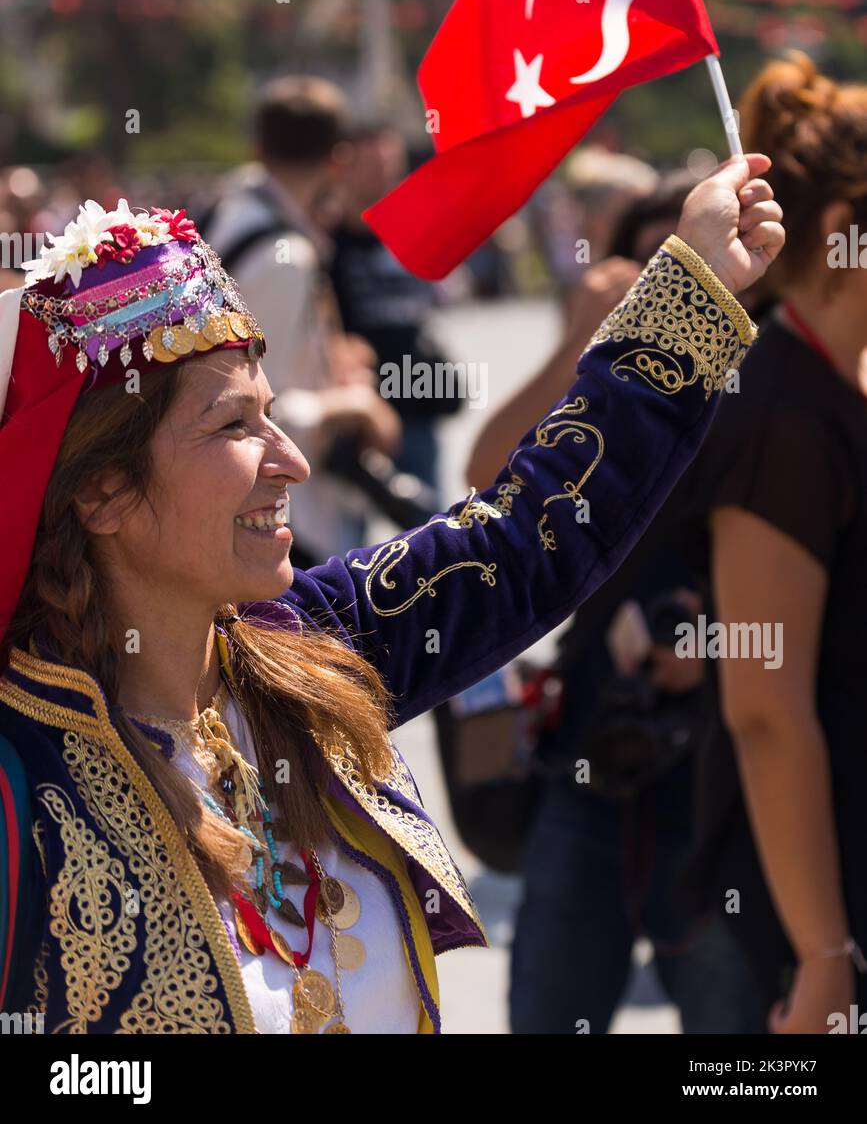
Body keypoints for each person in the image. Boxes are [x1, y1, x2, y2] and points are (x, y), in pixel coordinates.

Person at [0, 154, 781, 1034]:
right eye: (232, 426)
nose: (289, 461)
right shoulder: (19, 775)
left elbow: (526, 536)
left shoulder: (307, 647)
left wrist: (692, 287)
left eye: (271, 414)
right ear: (100, 492)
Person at [468, 178, 763, 1035]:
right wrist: (583, 340)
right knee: (552, 1010)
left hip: (725, 779)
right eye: (656, 267)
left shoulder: (767, 379)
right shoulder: (613, 386)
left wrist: (719, 639)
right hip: (592, 757)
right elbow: (484, 478)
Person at [680, 53, 867, 1035]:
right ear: (844, 235)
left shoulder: (832, 386)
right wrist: (826, 956)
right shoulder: (784, 415)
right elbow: (764, 707)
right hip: (795, 915)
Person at [202, 75, 401, 564]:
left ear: (258, 147)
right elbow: (264, 411)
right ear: (339, 159)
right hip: (282, 517)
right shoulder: (283, 256)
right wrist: (351, 404)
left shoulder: (228, 211)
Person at [328, 119, 461, 492]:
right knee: (353, 537)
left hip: (416, 397)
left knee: (430, 522)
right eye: (371, 167)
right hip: (356, 407)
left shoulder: (412, 230)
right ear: (345, 169)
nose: (382, 178)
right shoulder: (327, 240)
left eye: (389, 166)